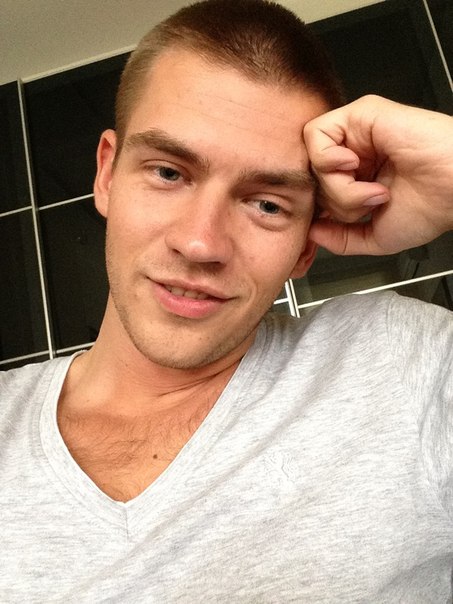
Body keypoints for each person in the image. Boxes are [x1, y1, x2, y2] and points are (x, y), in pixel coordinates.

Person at [1, 0, 453, 601]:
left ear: (305, 246)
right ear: (107, 175)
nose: (200, 243)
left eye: (267, 204)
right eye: (168, 173)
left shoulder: (405, 365)